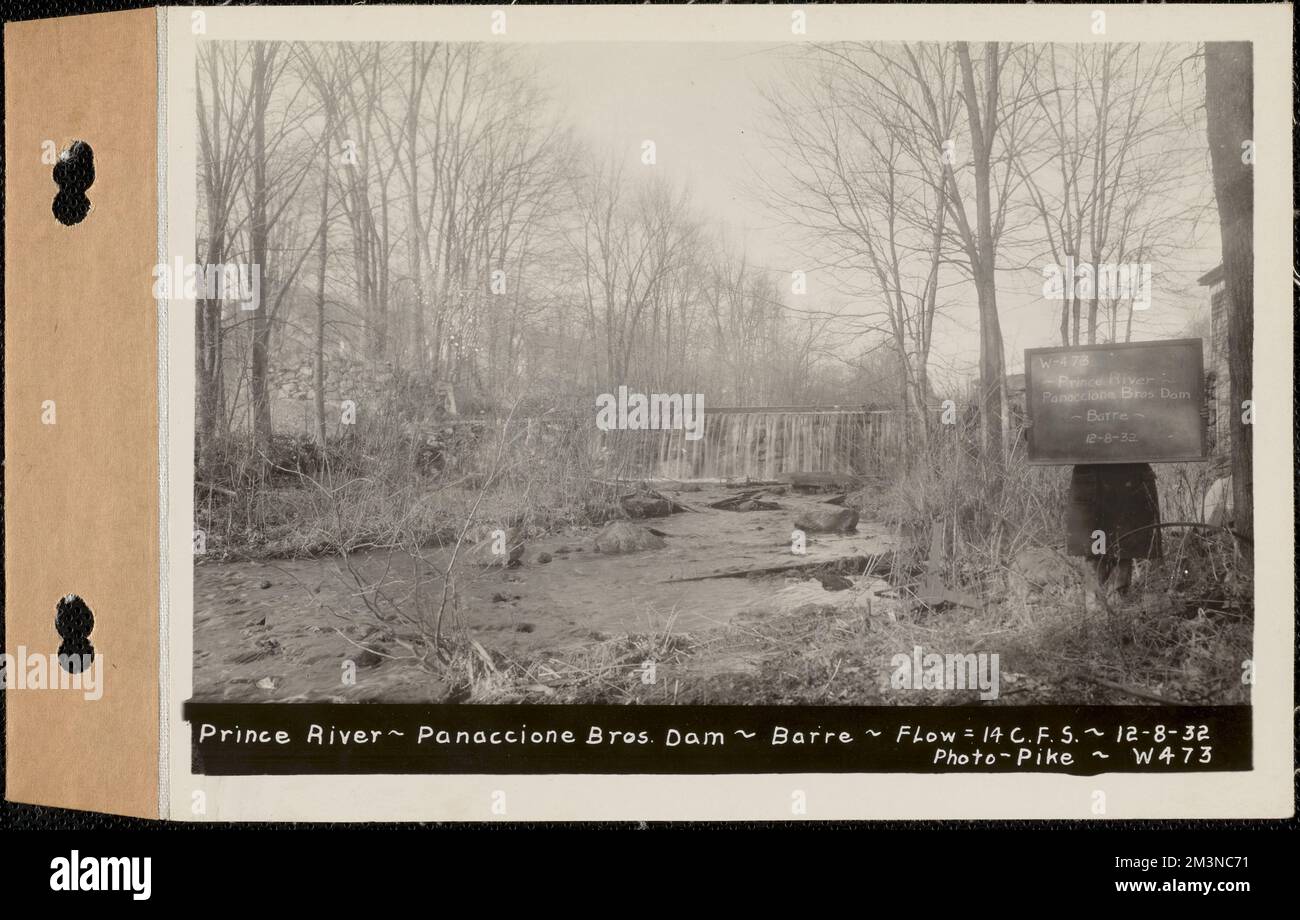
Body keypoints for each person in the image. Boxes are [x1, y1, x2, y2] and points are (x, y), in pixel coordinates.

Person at [1066, 462, 1161, 592]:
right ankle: (1096, 601)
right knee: (1094, 550)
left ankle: (1117, 598)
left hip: (1131, 477)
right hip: (1092, 478)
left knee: (1125, 548)